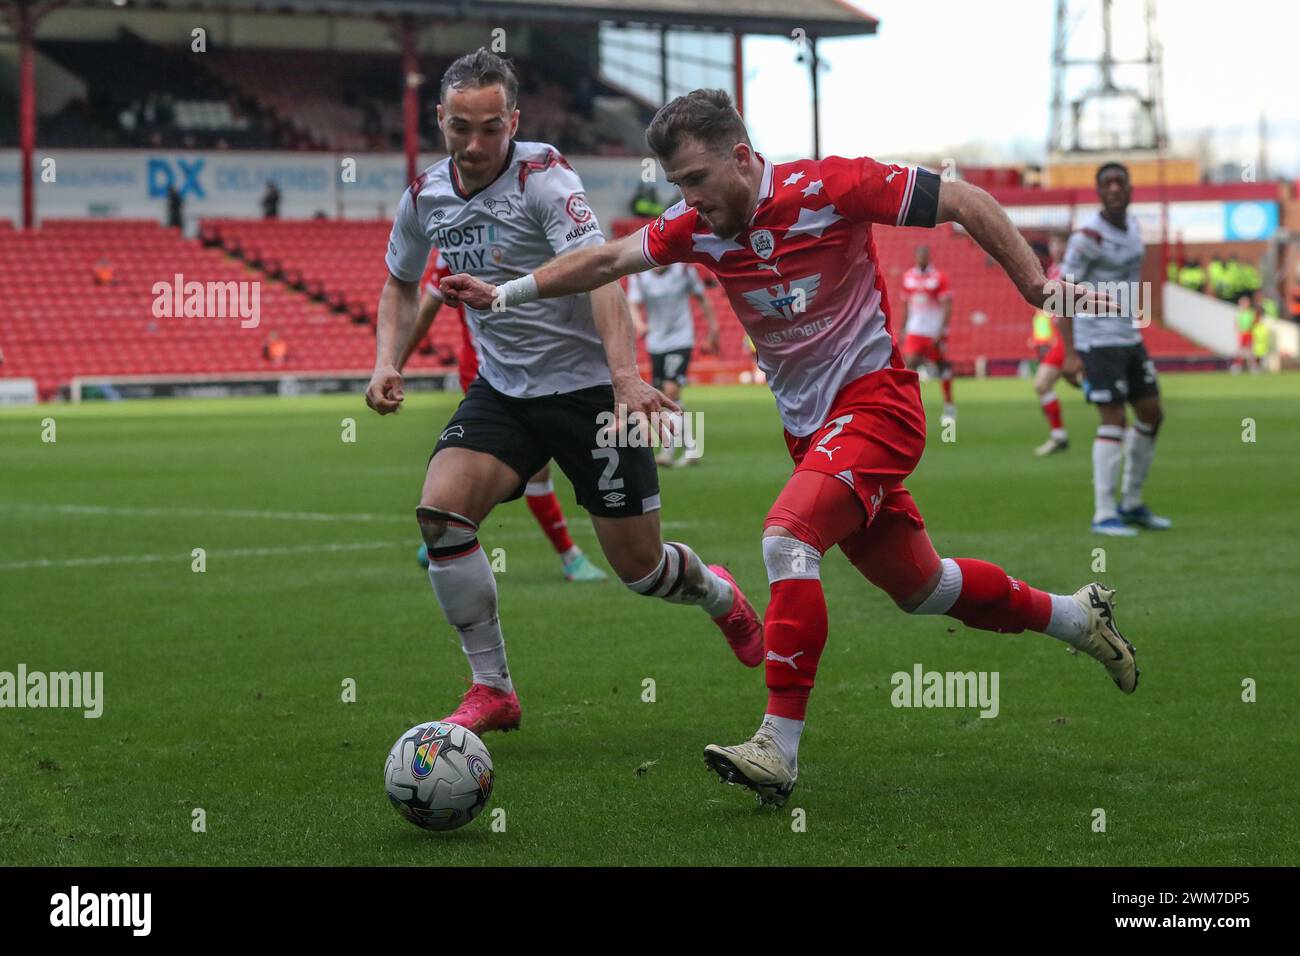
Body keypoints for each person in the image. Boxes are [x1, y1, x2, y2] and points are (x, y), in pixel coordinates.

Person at [442, 89, 1141, 806]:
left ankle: (778, 747)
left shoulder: (830, 187)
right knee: (924, 587)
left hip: (877, 404)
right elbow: (604, 261)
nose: (687, 199)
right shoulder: (696, 228)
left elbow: (962, 199)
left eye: (695, 180)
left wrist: (1035, 284)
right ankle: (1075, 616)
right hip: (814, 433)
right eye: (677, 185)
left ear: (741, 157)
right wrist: (507, 294)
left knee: (787, 539)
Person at [365, 54, 764, 738]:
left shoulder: (544, 178)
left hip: (590, 395)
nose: (474, 144)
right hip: (505, 393)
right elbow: (402, 282)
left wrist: (626, 377)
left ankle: (716, 591)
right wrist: (384, 362)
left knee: (641, 568)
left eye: (491, 128)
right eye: (460, 127)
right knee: (441, 517)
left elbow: (602, 275)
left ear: (513, 123)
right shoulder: (423, 197)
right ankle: (492, 688)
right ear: (441, 120)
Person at [406, 249, 608, 581]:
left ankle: (446, 528)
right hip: (488, 373)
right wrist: (393, 364)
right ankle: (570, 556)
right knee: (537, 470)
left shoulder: (522, 233)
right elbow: (427, 308)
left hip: (534, 370)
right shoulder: (453, 247)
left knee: (505, 468)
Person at [1059, 162, 1171, 537]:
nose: (1114, 188)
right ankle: (1104, 513)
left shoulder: (1135, 226)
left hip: (1128, 335)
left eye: (1120, 181)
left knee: (1152, 413)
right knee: (1113, 421)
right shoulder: (1087, 236)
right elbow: (1062, 293)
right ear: (1098, 191)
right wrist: (1070, 352)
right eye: (1106, 183)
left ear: (1130, 188)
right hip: (1097, 338)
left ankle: (1132, 503)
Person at [626, 263, 720, 467]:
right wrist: (639, 324)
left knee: (670, 390)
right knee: (663, 398)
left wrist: (713, 330)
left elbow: (702, 298)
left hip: (681, 339)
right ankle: (691, 448)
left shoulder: (684, 271)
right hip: (656, 343)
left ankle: (669, 451)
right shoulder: (640, 276)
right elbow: (632, 303)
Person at [1030, 233, 1075, 455]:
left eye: (1062, 243)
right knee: (1042, 384)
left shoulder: (1075, 269)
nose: (1058, 248)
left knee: (1096, 389)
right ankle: (1059, 436)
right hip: (1062, 339)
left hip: (1078, 339)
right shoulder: (1052, 271)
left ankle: (1120, 431)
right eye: (1054, 244)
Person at [899, 244, 955, 420]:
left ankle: (948, 404)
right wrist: (903, 328)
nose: (921, 258)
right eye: (919, 255)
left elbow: (947, 306)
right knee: (910, 364)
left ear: (928, 257)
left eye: (924, 255)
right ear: (915, 257)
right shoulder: (908, 277)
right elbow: (906, 306)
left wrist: (941, 330)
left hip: (933, 330)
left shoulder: (939, 277)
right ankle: (912, 407)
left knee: (941, 366)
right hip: (915, 329)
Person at [1231, 296, 1258, 373]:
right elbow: (1237, 324)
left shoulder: (1250, 313)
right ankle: (1237, 366)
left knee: (1249, 351)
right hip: (1242, 334)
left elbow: (1253, 323)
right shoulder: (1240, 314)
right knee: (1241, 351)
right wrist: (1238, 330)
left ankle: (1253, 366)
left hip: (1248, 333)